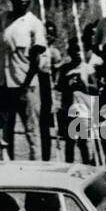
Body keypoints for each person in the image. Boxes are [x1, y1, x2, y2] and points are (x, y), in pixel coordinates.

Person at [0, 0, 47, 160]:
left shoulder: (34, 24)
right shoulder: (3, 19)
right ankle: (6, 171)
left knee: (31, 133)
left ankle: (36, 175)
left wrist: (24, 88)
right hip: (5, 85)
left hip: (26, 86)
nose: (22, 0)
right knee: (4, 132)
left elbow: (36, 61)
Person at [60, 40, 98, 166]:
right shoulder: (65, 68)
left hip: (83, 109)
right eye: (74, 51)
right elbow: (59, 87)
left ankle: (86, 164)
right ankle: (68, 165)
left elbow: (95, 88)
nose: (77, 53)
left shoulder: (88, 69)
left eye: (79, 50)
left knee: (82, 141)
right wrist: (67, 83)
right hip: (70, 107)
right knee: (69, 140)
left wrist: (83, 84)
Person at [37, 21, 66, 159]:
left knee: (50, 123)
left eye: (51, 34)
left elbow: (57, 74)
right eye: (46, 33)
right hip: (38, 88)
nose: (48, 37)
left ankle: (50, 154)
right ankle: (44, 154)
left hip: (49, 89)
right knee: (41, 123)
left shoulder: (54, 52)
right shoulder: (38, 50)